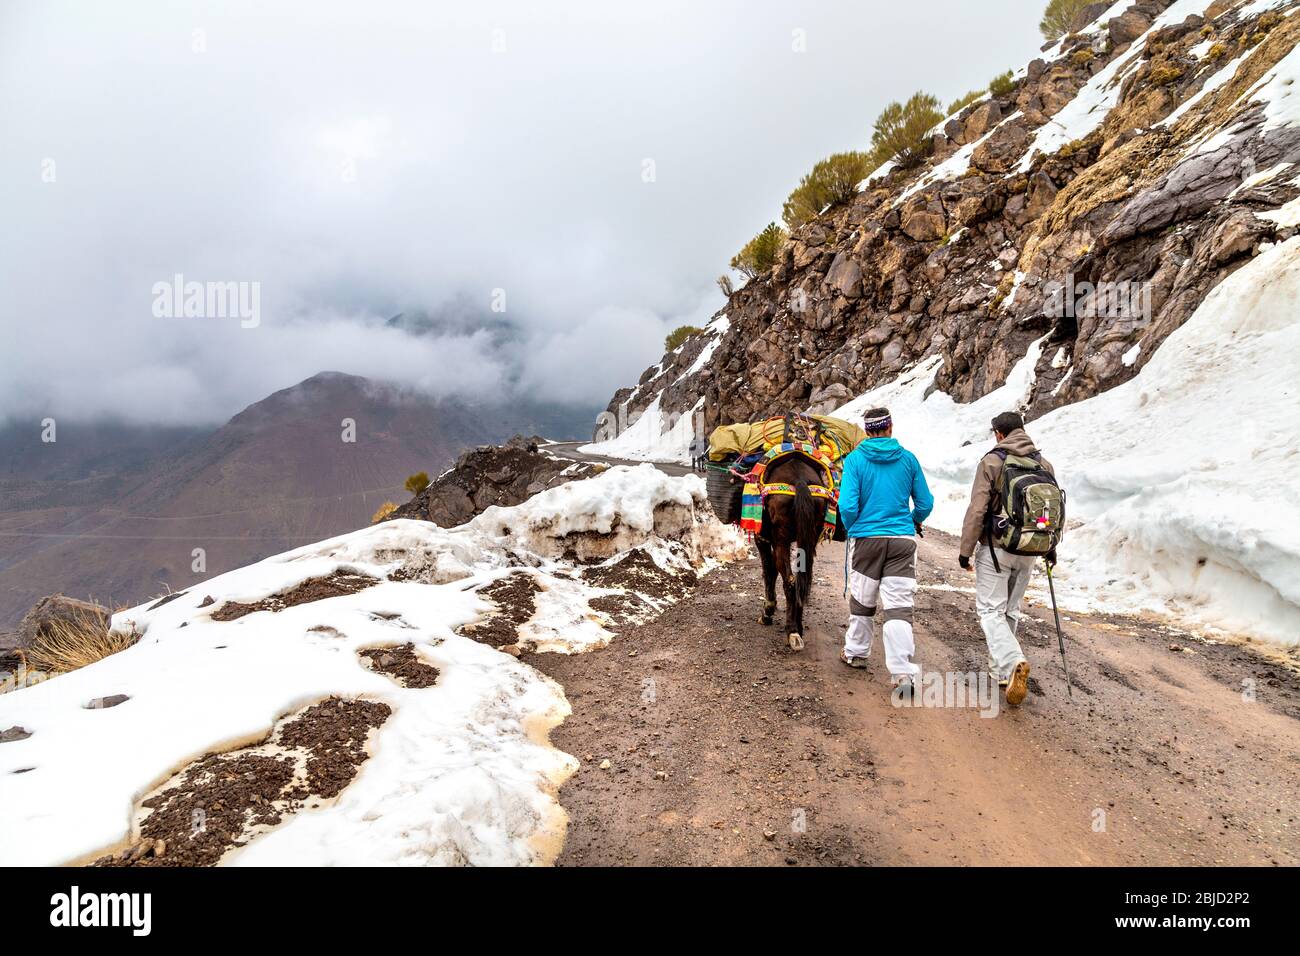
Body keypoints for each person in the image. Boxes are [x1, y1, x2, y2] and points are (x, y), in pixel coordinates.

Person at [959, 411, 1060, 707]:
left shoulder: (992, 461)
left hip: (997, 547)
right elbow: (1050, 512)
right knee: (1010, 610)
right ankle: (1002, 671)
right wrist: (1050, 547)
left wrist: (965, 550)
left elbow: (978, 509)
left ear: (998, 434)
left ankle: (1013, 660)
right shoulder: (1044, 464)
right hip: (1031, 549)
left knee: (990, 610)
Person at [837, 407, 933, 696]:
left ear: (867, 431)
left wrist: (854, 527)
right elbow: (925, 503)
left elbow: (848, 506)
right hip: (903, 541)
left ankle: (855, 653)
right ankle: (903, 674)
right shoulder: (908, 459)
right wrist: (913, 522)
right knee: (898, 607)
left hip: (866, 540)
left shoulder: (854, 460)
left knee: (863, 602)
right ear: (890, 427)